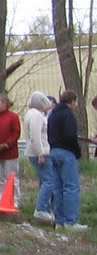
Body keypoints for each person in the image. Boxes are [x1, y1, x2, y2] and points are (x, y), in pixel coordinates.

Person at [46, 90, 87, 232]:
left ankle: (60, 221)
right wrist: (77, 150)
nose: (76, 105)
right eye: (76, 102)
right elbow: (71, 136)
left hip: (54, 152)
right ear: (72, 101)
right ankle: (71, 221)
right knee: (71, 187)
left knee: (58, 188)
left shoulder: (53, 114)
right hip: (67, 153)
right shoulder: (68, 114)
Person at [23, 92, 54, 223]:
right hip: (41, 153)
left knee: (44, 181)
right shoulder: (36, 116)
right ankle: (41, 209)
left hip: (35, 152)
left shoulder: (31, 114)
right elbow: (35, 136)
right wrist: (41, 153)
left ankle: (46, 209)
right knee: (49, 181)